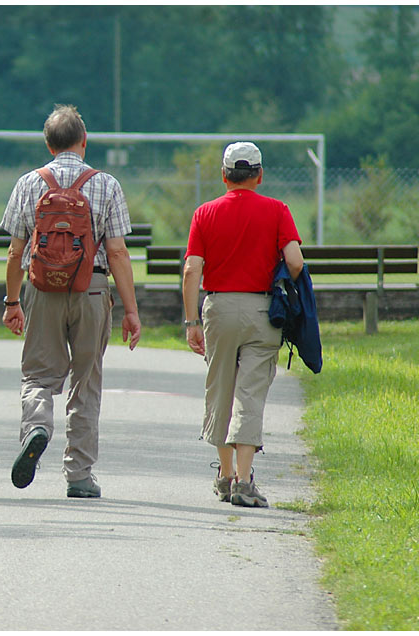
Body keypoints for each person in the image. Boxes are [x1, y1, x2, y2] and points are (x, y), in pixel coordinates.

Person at [1, 104, 141, 498]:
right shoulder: (107, 184)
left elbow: (15, 253)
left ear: (48, 144)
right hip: (91, 291)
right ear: (84, 142)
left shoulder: (28, 183)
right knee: (86, 381)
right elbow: (117, 253)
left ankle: (38, 425)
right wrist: (130, 311)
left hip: (42, 291)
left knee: (37, 376)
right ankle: (78, 475)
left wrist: (13, 302)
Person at [182, 141, 304, 508]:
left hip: (218, 308)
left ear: (224, 176)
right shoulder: (277, 210)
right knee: (249, 392)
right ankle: (244, 480)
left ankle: (223, 474)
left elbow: (191, 269)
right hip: (262, 311)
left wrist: (191, 321)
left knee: (220, 387)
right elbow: (295, 261)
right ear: (259, 175)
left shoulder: (204, 213)